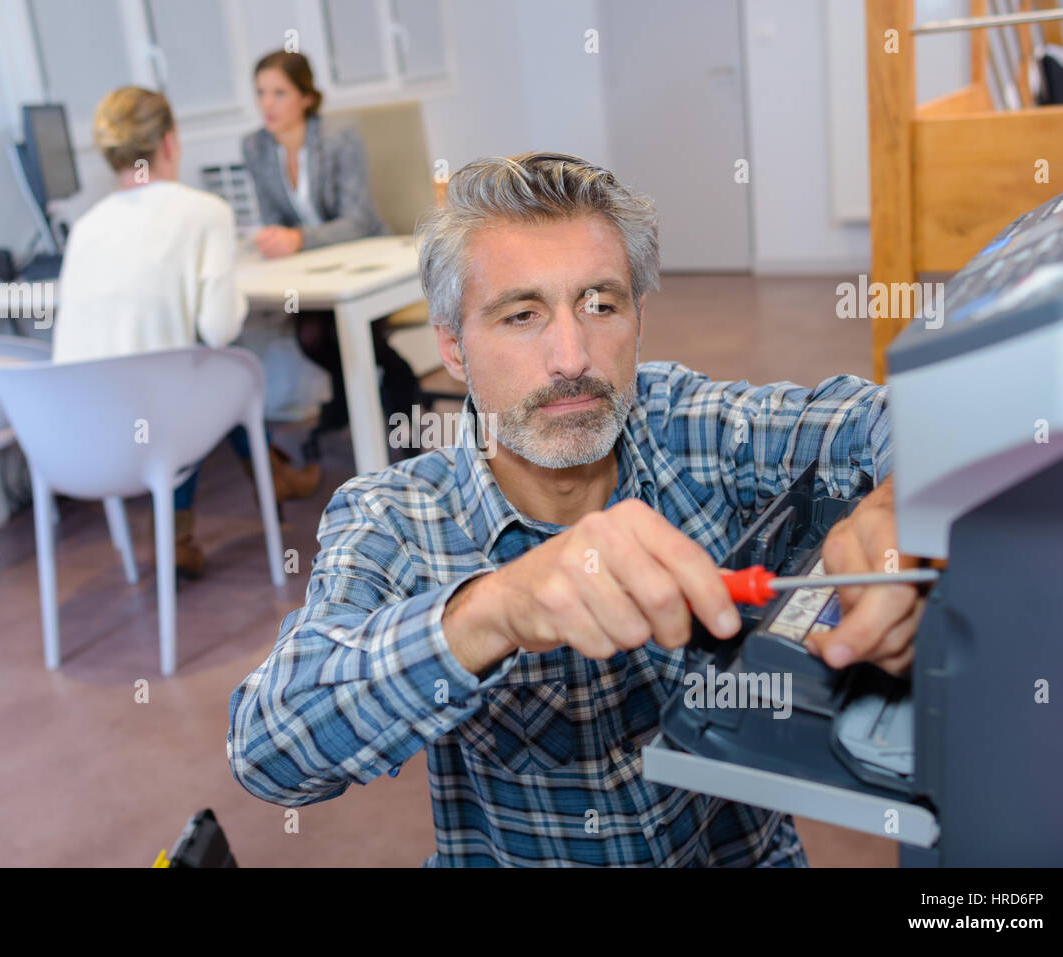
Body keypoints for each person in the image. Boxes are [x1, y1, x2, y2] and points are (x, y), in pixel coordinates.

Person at [228, 152, 927, 867]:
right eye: (522, 314)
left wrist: (907, 503)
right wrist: (493, 610)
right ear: (453, 347)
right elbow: (269, 747)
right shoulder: (396, 519)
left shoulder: (696, 427)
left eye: (600, 304)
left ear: (639, 317)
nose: (571, 356)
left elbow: (895, 414)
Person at [53, 86, 320, 578]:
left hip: (78, 439)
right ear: (170, 143)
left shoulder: (85, 228)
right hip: (157, 431)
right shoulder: (204, 211)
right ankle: (266, 476)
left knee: (191, 368)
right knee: (232, 364)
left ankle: (243, 492)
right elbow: (219, 328)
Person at [241, 50, 425, 452]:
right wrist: (275, 238)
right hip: (314, 269)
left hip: (369, 257)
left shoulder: (338, 138)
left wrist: (298, 239)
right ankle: (385, 383)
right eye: (260, 93)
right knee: (311, 337)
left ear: (307, 98)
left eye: (279, 93)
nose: (266, 105)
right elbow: (276, 218)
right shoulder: (255, 147)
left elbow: (356, 220)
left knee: (328, 334)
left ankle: (382, 388)